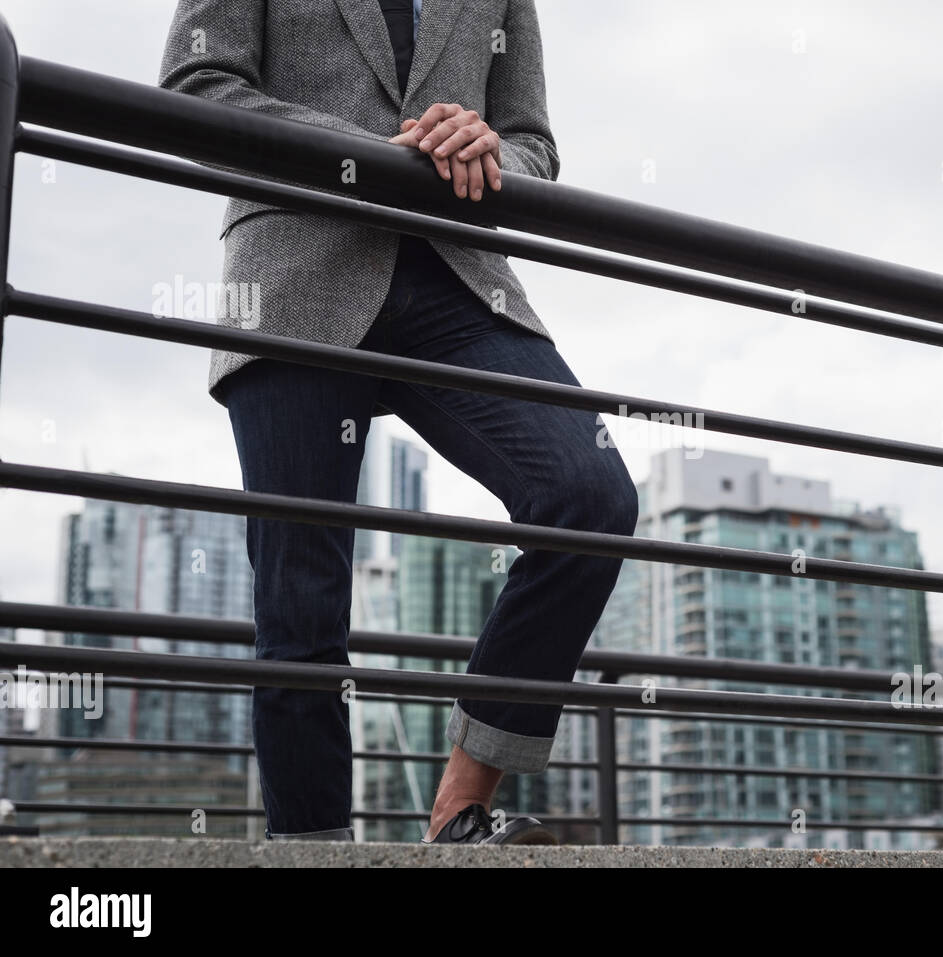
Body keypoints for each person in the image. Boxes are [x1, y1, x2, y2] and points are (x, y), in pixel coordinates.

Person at [159, 0, 638, 845]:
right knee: (300, 614)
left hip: (453, 275)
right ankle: (313, 854)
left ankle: (462, 802)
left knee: (589, 494)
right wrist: (364, 156)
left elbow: (534, 144)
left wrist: (491, 150)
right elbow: (200, 83)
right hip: (294, 274)